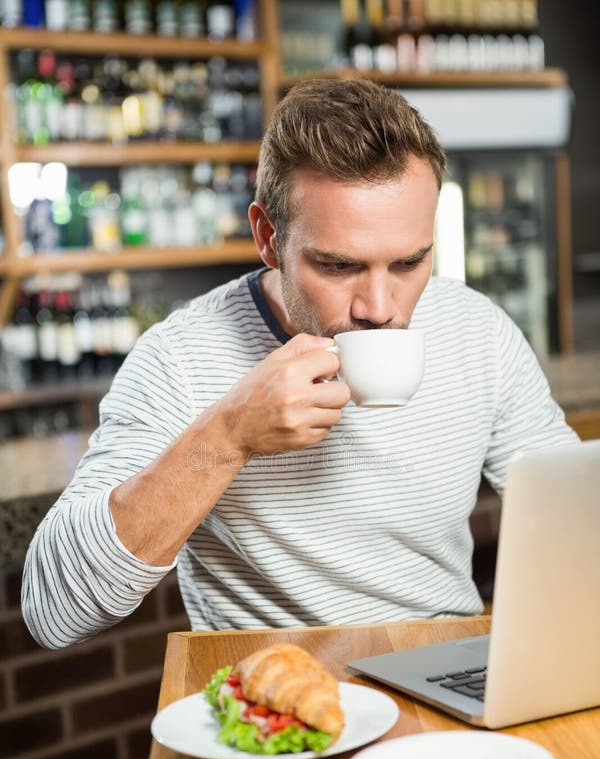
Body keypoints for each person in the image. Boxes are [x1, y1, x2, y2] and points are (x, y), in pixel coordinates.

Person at [22, 79, 577, 649]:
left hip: (444, 675)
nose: (381, 310)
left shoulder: (478, 331)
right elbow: (55, 611)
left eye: (410, 262)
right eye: (339, 266)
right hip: (275, 702)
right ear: (268, 236)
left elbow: (578, 519)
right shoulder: (180, 359)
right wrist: (228, 434)